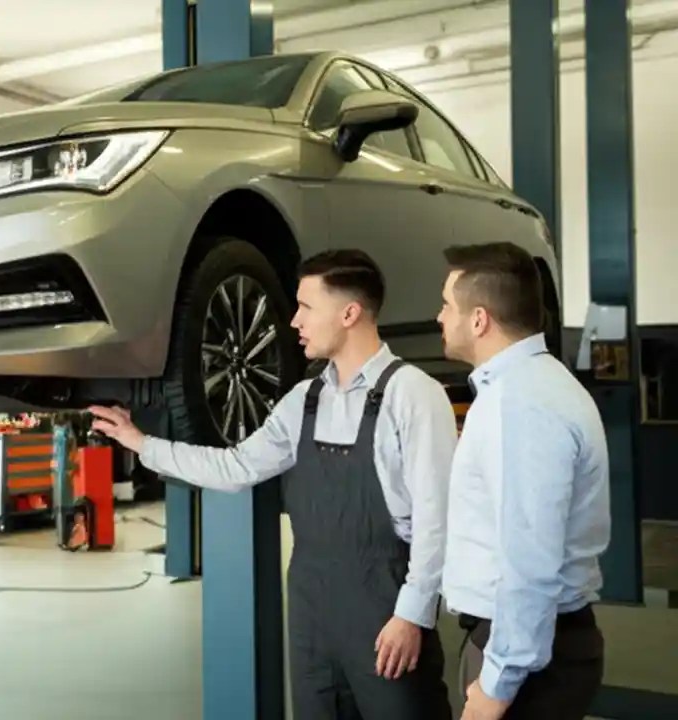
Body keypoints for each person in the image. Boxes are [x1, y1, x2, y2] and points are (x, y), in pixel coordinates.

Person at [90, 249, 456, 720]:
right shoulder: (304, 401)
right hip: (311, 613)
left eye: (306, 307)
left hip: (384, 612)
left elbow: (437, 519)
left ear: (349, 313)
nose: (293, 321)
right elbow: (236, 467)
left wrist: (412, 614)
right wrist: (141, 443)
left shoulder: (413, 395)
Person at [436, 242, 610, 720]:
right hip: (530, 643)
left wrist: (497, 685)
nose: (438, 316)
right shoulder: (531, 386)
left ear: (479, 319)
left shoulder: (521, 403)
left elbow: (530, 560)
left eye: (447, 304)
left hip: (526, 659)